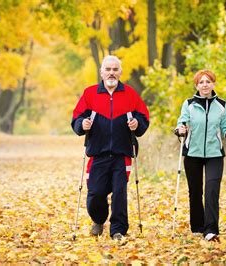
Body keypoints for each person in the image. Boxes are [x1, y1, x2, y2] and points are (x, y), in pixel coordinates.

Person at [71, 55, 150, 240]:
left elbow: (144, 117)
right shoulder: (90, 93)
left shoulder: (130, 94)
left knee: (119, 193)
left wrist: (137, 124)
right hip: (97, 153)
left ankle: (118, 230)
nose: (111, 73)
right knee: (96, 193)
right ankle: (98, 220)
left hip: (122, 154)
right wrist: (82, 124)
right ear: (101, 72)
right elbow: (76, 117)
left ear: (120, 72)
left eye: (115, 69)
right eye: (108, 69)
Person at [175, 69, 226, 242]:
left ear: (213, 84)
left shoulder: (222, 105)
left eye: (208, 81)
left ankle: (211, 230)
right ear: (197, 86)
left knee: (211, 190)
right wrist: (180, 129)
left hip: (215, 154)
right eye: (201, 82)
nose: (205, 84)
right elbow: (181, 122)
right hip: (192, 153)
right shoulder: (189, 104)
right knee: (195, 191)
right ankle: (197, 227)